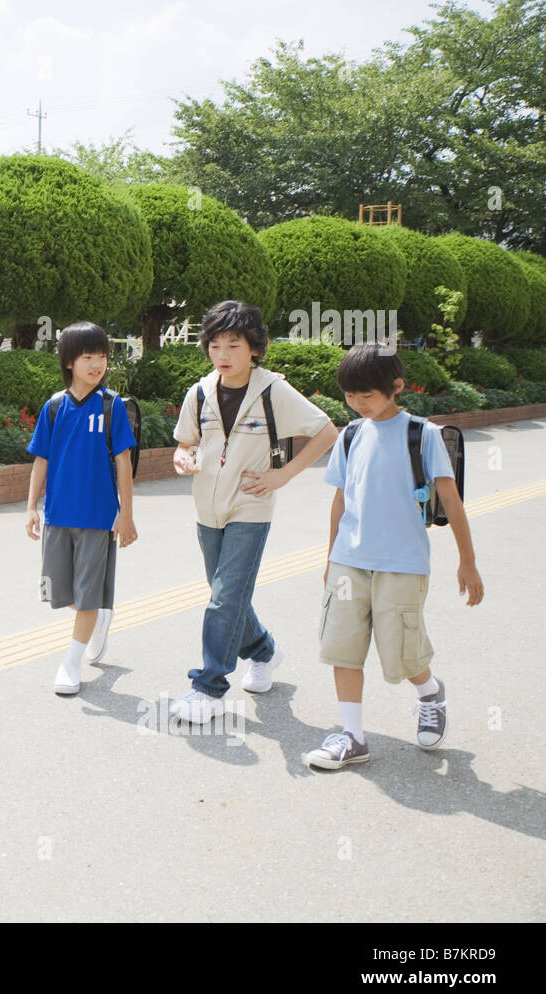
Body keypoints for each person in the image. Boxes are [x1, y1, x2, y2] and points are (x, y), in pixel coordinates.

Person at [306, 343, 484, 770]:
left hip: (403, 561)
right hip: (351, 559)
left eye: (367, 395)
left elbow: (450, 498)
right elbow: (340, 500)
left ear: (397, 387)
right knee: (342, 647)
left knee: (400, 652)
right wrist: (330, 556)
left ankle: (428, 692)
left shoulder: (422, 434)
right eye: (351, 396)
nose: (358, 404)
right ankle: (353, 737)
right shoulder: (350, 434)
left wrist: (468, 561)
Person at [169, 301, 338, 722]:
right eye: (215, 345)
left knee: (225, 598)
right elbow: (184, 443)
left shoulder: (272, 391)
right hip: (207, 506)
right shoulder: (200, 391)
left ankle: (208, 687)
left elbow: (326, 431)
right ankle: (264, 651)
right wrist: (183, 457)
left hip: (251, 506)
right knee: (225, 593)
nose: (223, 355)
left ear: (254, 349)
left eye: (233, 345)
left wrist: (285, 475)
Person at [25, 322, 137, 696]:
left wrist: (127, 513)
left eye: (102, 356)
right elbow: (41, 460)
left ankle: (70, 663)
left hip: (97, 517)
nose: (97, 364)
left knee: (86, 594)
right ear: (69, 361)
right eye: (88, 357)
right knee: (63, 593)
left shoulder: (112, 406)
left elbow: (123, 461)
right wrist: (31, 507)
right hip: (58, 515)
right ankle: (98, 618)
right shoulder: (54, 407)